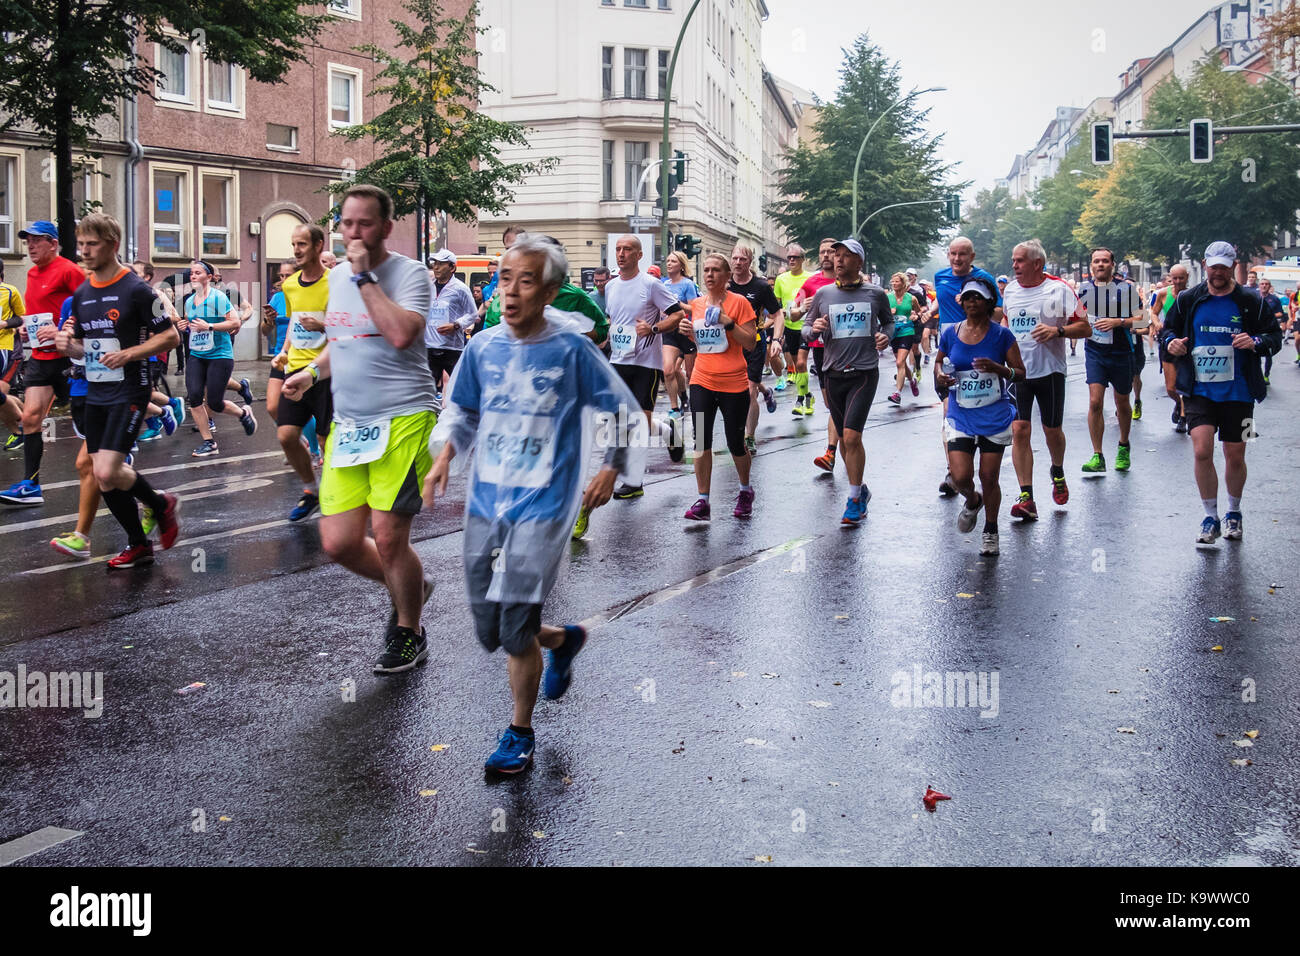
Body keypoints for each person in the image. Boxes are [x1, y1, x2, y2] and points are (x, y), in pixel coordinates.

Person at [424, 235, 642, 774]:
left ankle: (519, 731)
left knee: (514, 622)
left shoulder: (572, 351)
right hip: (486, 496)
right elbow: (463, 410)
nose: (512, 291)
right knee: (489, 627)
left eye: (526, 282)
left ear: (548, 292)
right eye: (505, 279)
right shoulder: (482, 347)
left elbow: (621, 408)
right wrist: (444, 454)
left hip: (546, 502)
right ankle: (563, 640)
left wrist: (611, 467)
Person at [281, 184, 437, 672]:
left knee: (390, 537)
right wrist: (311, 372)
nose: (353, 233)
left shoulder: (411, 275)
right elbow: (342, 339)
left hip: (406, 418)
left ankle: (409, 629)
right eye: (346, 224)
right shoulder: (340, 279)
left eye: (364, 224)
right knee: (338, 542)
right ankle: (411, 584)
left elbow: (399, 333)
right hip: (350, 426)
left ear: (387, 228)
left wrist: (366, 276)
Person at [54, 213, 181, 568]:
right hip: (96, 390)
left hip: (132, 390)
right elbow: (82, 348)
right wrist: (67, 345)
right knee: (103, 476)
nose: (84, 252)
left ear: (112, 245)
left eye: (91, 244)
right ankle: (139, 544)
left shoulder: (138, 290)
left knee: (108, 471)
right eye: (80, 245)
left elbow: (171, 335)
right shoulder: (82, 294)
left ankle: (158, 504)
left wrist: (130, 353)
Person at [1162, 241, 1280, 544]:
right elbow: (1167, 330)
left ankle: (1234, 512)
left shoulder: (1251, 301)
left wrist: (1255, 342)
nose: (1217, 272)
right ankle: (1210, 516)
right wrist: (1171, 343)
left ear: (1232, 266)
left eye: (1223, 267)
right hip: (1199, 390)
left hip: (1241, 392)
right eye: (1213, 266)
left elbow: (1274, 337)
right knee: (1202, 450)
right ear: (1204, 264)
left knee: (1235, 455)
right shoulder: (1188, 299)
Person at [802, 239, 892, 525]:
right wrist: (813, 329)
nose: (838, 260)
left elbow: (889, 322)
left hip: (864, 372)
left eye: (845, 256)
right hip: (832, 372)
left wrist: (885, 336)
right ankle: (860, 489)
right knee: (843, 439)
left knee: (852, 436)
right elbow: (805, 328)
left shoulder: (875, 294)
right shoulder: (823, 294)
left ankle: (853, 498)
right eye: (835, 255)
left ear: (859, 263)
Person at [934, 276, 1026, 556]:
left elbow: (1020, 373)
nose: (972, 302)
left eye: (978, 298)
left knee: (989, 476)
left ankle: (991, 529)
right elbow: (939, 362)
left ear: (989, 303)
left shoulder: (1002, 335)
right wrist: (940, 376)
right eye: (967, 297)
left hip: (993, 416)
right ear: (961, 301)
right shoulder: (951, 332)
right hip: (961, 414)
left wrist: (998, 369)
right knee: (961, 476)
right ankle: (973, 501)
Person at [1002, 240, 1089, 520]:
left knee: (1052, 431)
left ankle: (1058, 470)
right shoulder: (1012, 290)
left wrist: (1057, 331)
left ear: (1037, 264)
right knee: (1020, 430)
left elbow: (1085, 328)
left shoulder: (1058, 289)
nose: (1014, 266)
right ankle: (1026, 495)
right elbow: (1006, 322)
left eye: (1020, 261)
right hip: (1019, 371)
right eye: (1014, 260)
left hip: (1050, 371)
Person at [0, 221, 84, 506]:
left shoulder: (69, 270)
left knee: (87, 421)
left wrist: (65, 331)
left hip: (68, 357)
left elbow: (88, 306)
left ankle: (123, 452)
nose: (30, 246)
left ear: (53, 243)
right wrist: (24, 328)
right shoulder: (33, 273)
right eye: (27, 241)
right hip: (40, 357)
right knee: (30, 418)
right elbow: (34, 314)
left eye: (37, 240)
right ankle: (31, 485)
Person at [604, 234, 685, 497]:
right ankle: (667, 430)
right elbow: (612, 321)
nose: (621, 253)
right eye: (618, 249)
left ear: (639, 255)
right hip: (618, 361)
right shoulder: (610, 287)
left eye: (627, 249)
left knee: (638, 422)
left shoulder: (650, 285)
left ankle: (634, 482)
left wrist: (652, 328)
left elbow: (677, 313)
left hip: (645, 364)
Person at [678, 253, 758, 520]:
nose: (710, 274)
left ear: (726, 277)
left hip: (733, 382)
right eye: (707, 270)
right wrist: (686, 329)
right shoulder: (696, 304)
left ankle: (745, 490)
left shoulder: (740, 303)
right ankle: (703, 501)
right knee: (701, 440)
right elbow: (701, 341)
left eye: (715, 271)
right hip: (702, 379)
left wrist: (729, 323)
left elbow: (750, 343)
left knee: (736, 442)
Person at [930, 236, 1001, 498]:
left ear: (972, 257)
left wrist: (973, 307)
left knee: (975, 406)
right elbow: (942, 301)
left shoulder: (985, 279)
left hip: (977, 351)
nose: (957, 259)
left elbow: (998, 313)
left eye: (963, 254)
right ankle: (953, 470)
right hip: (949, 352)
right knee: (949, 411)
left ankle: (977, 462)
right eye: (953, 254)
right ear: (948, 255)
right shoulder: (940, 276)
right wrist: (931, 311)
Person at [272, 224, 332, 522]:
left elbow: (347, 330)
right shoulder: (291, 284)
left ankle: (336, 498)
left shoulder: (335, 282)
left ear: (319, 245)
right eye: (293, 244)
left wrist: (321, 326)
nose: (296, 250)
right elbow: (296, 324)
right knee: (286, 435)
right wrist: (283, 350)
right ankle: (311, 490)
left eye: (303, 244)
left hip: (325, 372)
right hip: (295, 369)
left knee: (325, 440)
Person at [178, 260, 257, 457]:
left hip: (219, 355)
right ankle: (209, 442)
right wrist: (184, 326)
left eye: (198, 273)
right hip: (197, 354)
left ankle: (243, 413)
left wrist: (210, 326)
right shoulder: (189, 301)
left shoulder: (218, 297)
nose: (193, 276)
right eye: (191, 274)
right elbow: (192, 323)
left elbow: (235, 321)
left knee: (215, 403)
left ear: (209, 277)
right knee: (195, 397)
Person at [1078, 248, 1143, 475]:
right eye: (1096, 261)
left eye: (1105, 261)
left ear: (1112, 265)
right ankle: (1098, 455)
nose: (1100, 265)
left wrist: (1118, 322)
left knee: (1122, 402)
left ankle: (1123, 445)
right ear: (1091, 266)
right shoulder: (1083, 290)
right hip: (1095, 352)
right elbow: (1075, 317)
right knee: (1095, 402)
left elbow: (1144, 322)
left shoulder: (1125, 288)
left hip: (1122, 353)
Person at [727, 243, 780, 454]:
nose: (738, 263)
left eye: (743, 259)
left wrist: (776, 339)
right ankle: (766, 391)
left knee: (749, 391)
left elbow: (777, 314)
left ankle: (749, 436)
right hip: (730, 345)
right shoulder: (725, 283)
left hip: (755, 342)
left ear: (750, 262)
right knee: (735, 390)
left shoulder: (760, 286)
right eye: (735, 258)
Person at [793, 238, 839, 468]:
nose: (826, 256)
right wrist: (803, 307)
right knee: (831, 404)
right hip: (821, 349)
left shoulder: (849, 281)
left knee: (838, 404)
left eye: (831, 252)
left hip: (847, 349)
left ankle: (831, 451)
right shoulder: (811, 284)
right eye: (822, 252)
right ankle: (839, 439)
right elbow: (793, 313)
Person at [424, 249, 477, 395]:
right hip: (429, 345)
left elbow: (473, 314)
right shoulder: (428, 286)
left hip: (452, 348)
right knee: (427, 391)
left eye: (441, 264)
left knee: (459, 388)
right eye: (435, 263)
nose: (436, 267)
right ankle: (433, 416)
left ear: (452, 267)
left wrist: (456, 325)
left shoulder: (461, 289)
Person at [660, 250, 700, 432]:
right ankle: (675, 407)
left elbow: (694, 308)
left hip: (686, 331)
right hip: (669, 331)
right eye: (667, 260)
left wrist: (678, 305)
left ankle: (693, 403)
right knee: (668, 370)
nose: (669, 264)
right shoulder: (663, 284)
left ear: (681, 265)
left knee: (691, 375)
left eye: (673, 261)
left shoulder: (687, 284)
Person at [1151, 265, 1190, 432]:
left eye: (1181, 278)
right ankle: (1179, 404)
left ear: (1187, 277)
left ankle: (1183, 417)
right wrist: (1157, 323)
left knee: (1185, 383)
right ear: (1170, 278)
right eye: (1175, 278)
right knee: (1171, 388)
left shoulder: (1192, 295)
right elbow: (1153, 312)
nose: (1178, 281)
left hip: (1187, 340)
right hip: (1168, 339)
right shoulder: (1163, 294)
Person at [773, 244, 812, 397]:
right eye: (789, 257)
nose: (791, 260)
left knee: (802, 363)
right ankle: (806, 394)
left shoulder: (810, 278)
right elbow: (776, 305)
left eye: (795, 257)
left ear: (802, 259)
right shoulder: (781, 279)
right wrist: (779, 312)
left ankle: (803, 399)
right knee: (797, 364)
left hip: (807, 325)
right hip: (789, 325)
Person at [0, 260, 27, 450]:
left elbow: (21, 318)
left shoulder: (9, 291)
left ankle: (20, 431)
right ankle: (30, 419)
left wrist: (4, 324)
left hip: (6, 348)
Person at [885, 272, 921, 405]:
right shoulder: (887, 297)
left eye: (896, 282)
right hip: (893, 332)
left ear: (903, 283)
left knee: (899, 362)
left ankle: (897, 394)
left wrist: (915, 316)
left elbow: (919, 311)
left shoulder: (911, 298)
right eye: (892, 282)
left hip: (907, 331)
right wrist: (889, 312)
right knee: (902, 363)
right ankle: (912, 381)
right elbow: (880, 314)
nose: (894, 284)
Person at [1257, 278, 1284, 385]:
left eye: (1266, 284)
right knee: (1255, 353)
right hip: (1257, 329)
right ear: (1259, 286)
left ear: (1270, 286)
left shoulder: (1274, 299)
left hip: (1270, 330)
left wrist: (1268, 316)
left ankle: (1266, 375)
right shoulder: (1254, 298)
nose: (1264, 286)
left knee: (1268, 353)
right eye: (1262, 284)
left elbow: (1280, 313)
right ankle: (1257, 375)